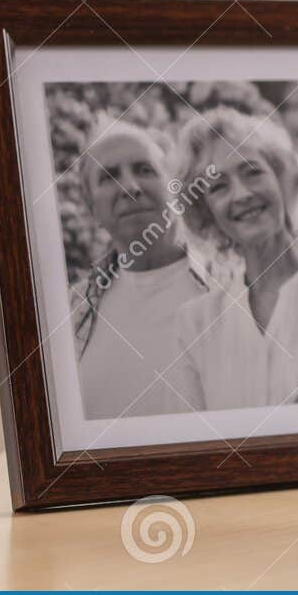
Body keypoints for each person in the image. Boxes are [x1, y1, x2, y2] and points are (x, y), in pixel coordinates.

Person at [172, 106, 298, 411]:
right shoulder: (197, 323)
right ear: (206, 211)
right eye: (219, 186)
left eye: (253, 172)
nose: (241, 195)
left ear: (283, 179)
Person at [71, 116, 207, 420]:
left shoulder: (231, 289)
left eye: (145, 170)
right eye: (109, 177)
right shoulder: (70, 315)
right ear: (93, 209)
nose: (130, 187)